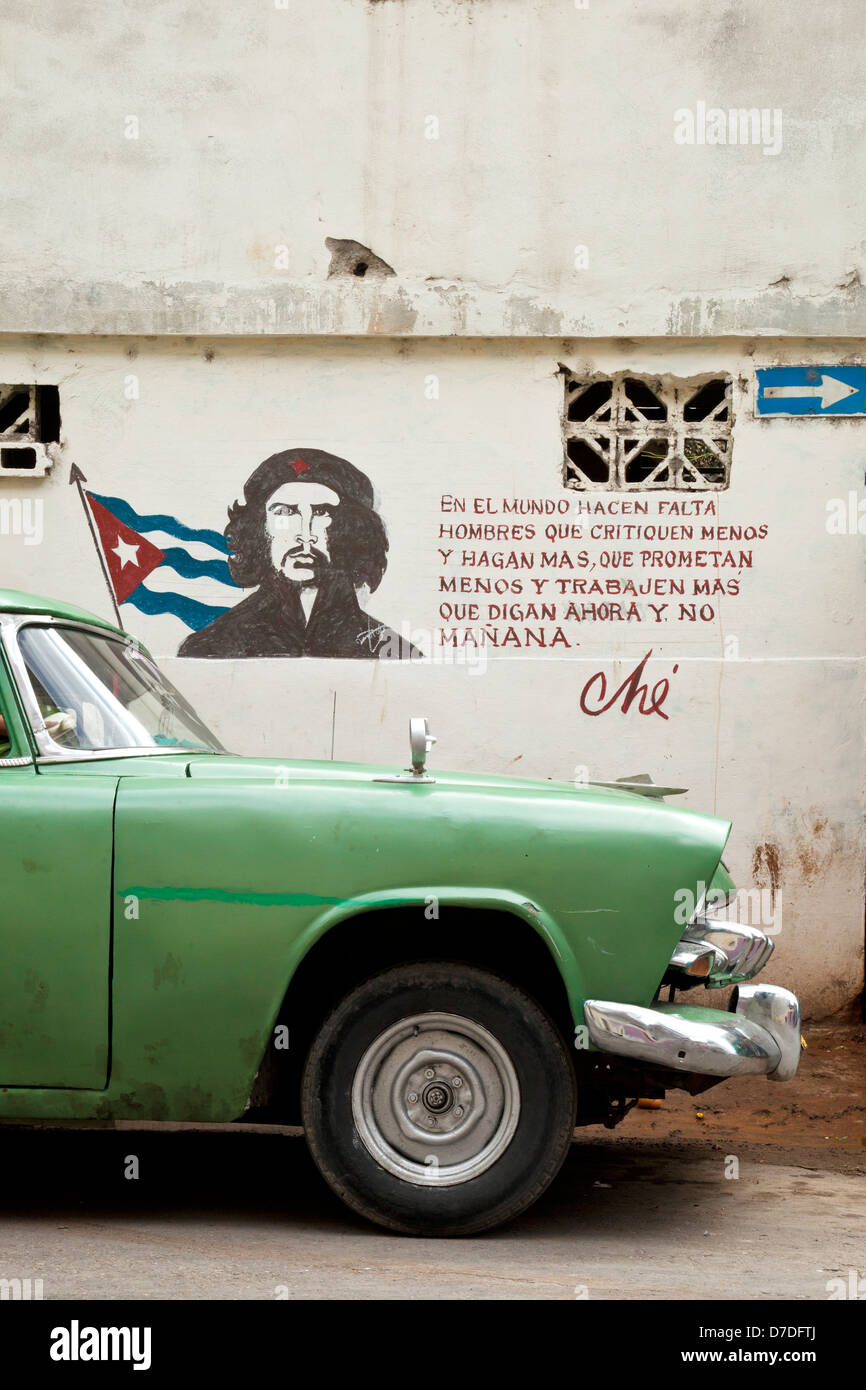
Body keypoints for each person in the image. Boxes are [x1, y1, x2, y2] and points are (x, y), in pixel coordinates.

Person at [179, 449, 421, 659]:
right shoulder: (209, 647)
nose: (305, 535)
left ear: (352, 530)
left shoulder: (394, 653)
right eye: (285, 512)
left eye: (322, 513)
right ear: (258, 527)